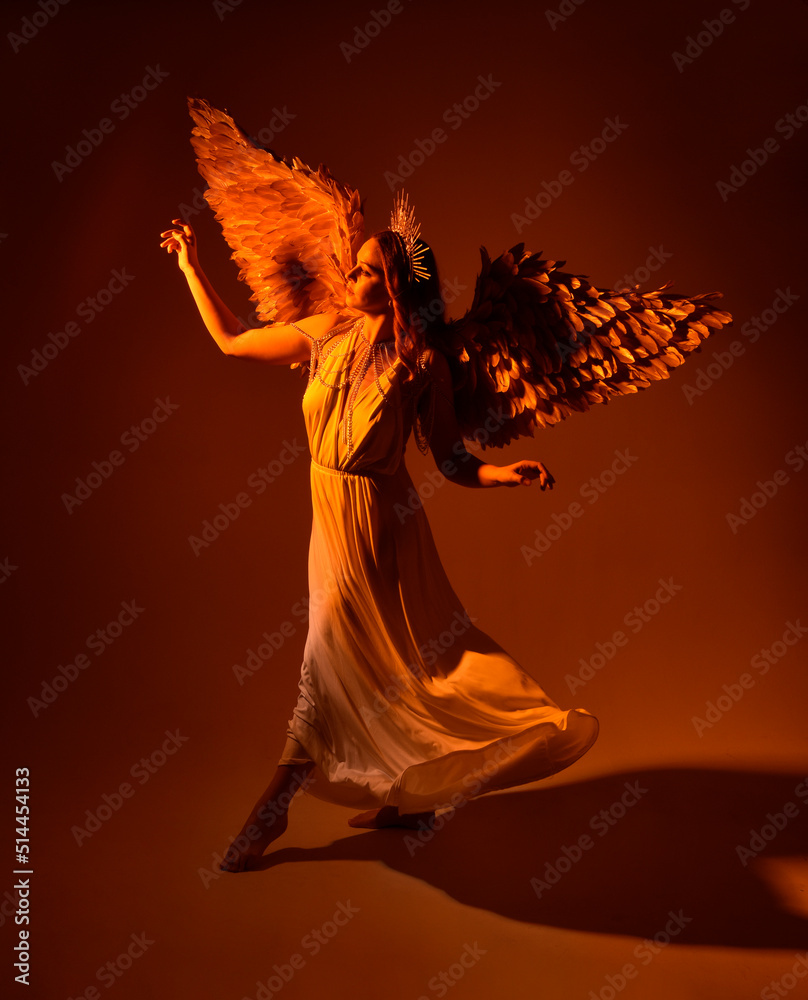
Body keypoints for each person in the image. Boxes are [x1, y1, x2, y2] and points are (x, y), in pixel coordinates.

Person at [159, 216, 600, 872]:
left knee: (333, 656)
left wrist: (506, 473)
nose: (351, 276)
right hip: (329, 511)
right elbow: (233, 343)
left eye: (367, 271)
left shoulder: (423, 362)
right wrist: (192, 266)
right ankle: (409, 800)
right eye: (357, 266)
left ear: (396, 286)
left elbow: (450, 459)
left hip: (380, 522)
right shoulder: (326, 330)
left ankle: (270, 813)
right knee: (389, 668)